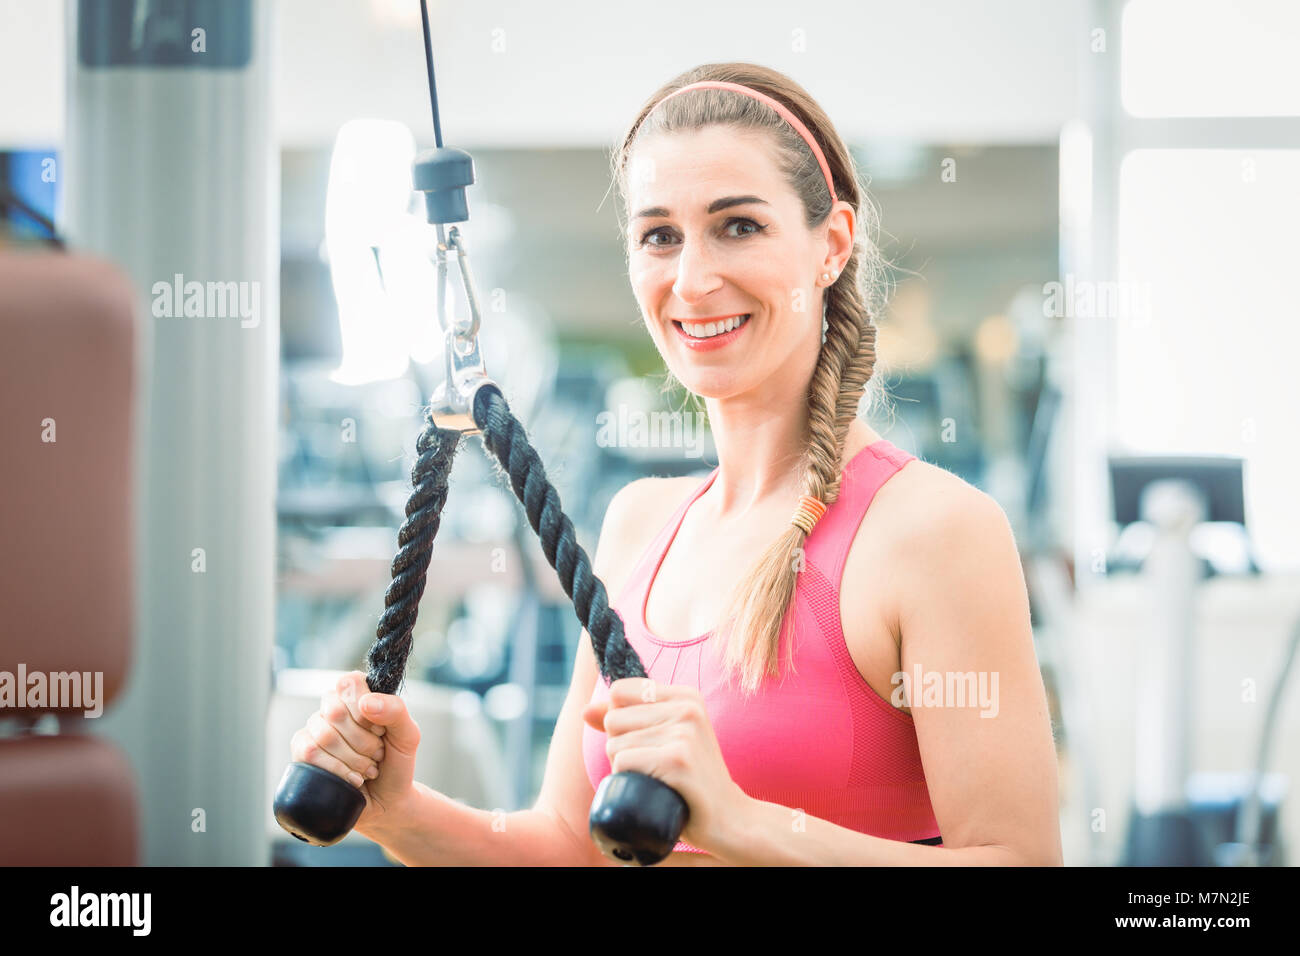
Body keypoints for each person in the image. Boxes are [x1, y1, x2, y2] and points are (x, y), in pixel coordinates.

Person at [289, 62, 1063, 866]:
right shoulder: (641, 523)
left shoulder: (935, 531)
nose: (692, 281)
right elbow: (566, 845)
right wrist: (398, 815)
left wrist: (740, 821)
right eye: (659, 235)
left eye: (738, 226)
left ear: (831, 245)